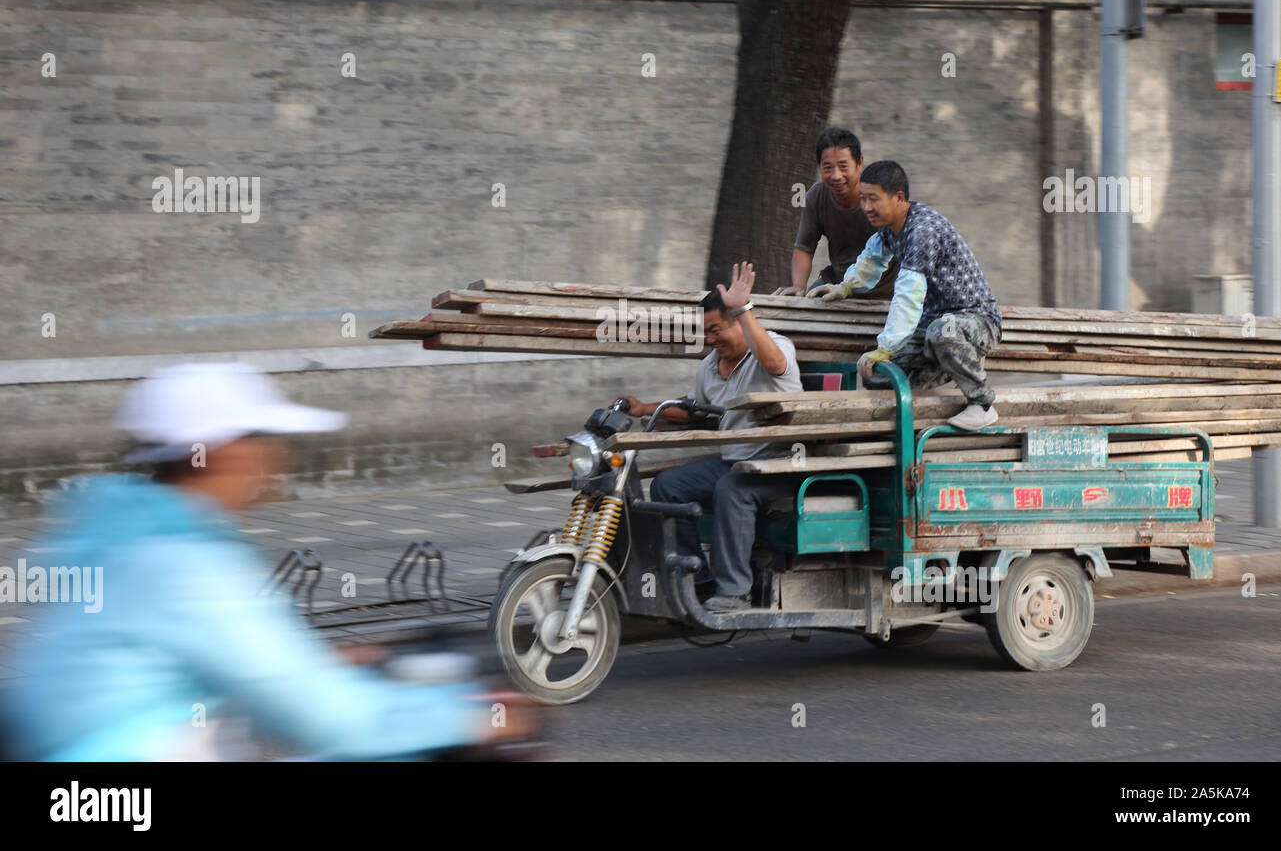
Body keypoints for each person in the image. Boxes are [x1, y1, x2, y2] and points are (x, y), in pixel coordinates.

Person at [0, 362, 505, 760]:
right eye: (265, 437)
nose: (279, 452)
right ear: (225, 451)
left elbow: (172, 657)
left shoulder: (111, 532)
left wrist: (308, 661)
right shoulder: (183, 564)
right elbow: (335, 720)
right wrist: (471, 716)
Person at [620, 263, 802, 613]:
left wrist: (744, 309)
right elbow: (694, 410)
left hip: (782, 464)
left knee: (732, 490)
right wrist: (644, 408)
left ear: (738, 321)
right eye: (705, 332)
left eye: (715, 329)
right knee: (667, 486)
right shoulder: (711, 365)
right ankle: (696, 577)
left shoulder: (774, 347)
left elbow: (776, 363)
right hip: (735, 462)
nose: (709, 339)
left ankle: (734, 591)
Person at [809, 160, 1002, 431]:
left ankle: (982, 404)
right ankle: (950, 365)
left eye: (873, 199)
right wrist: (844, 287)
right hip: (934, 325)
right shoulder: (890, 230)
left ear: (899, 198)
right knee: (881, 377)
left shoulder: (922, 229)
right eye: (863, 199)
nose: (866, 207)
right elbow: (871, 260)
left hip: (977, 320)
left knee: (942, 334)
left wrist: (886, 347)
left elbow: (908, 294)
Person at [772, 126, 897, 299]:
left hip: (883, 288)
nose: (836, 176)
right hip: (837, 281)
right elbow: (804, 248)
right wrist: (798, 287)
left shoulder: (881, 196)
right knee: (803, 307)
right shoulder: (816, 196)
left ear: (860, 163)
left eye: (843, 166)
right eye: (828, 167)